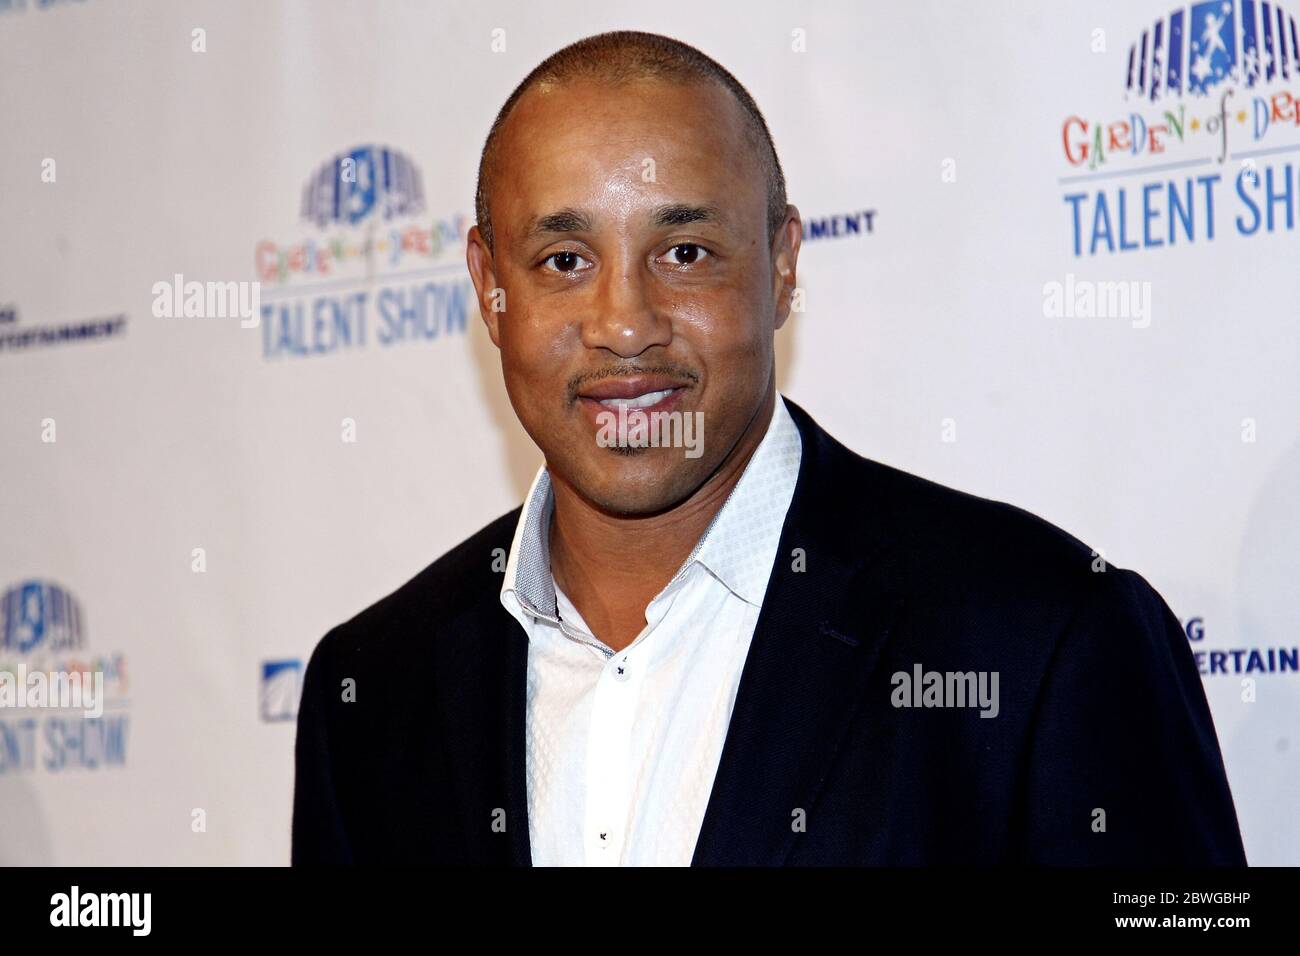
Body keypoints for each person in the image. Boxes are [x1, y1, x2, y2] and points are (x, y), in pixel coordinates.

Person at [292, 30, 1246, 866]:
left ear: (783, 266)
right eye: (563, 262)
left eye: (686, 254)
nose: (624, 323)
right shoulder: (371, 693)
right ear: (488, 285)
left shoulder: (1043, 639)